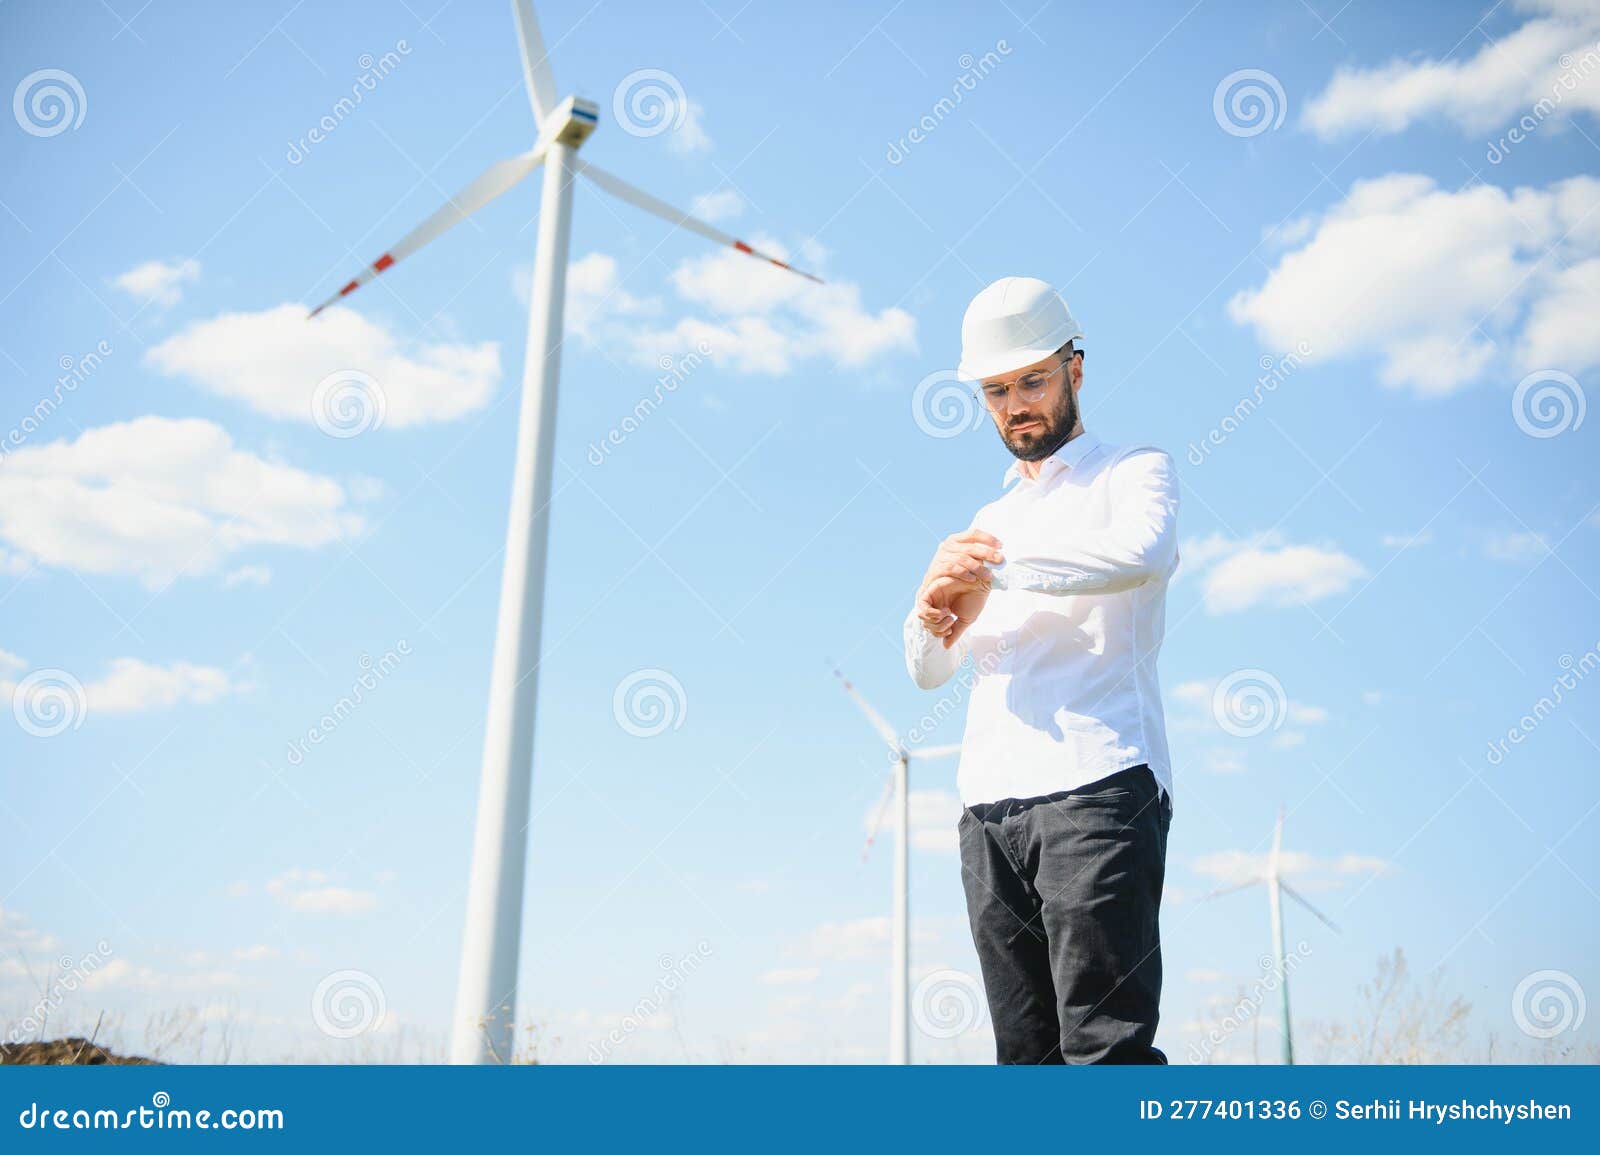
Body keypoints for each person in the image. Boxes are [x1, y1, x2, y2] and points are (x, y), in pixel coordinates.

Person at [904, 276, 1179, 1064]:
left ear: (1076, 370)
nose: (1016, 402)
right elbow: (930, 672)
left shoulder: (1134, 471)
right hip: (987, 809)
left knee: (1104, 1049)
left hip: (1096, 788)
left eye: (1033, 380)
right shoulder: (986, 522)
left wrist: (999, 571)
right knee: (1025, 1062)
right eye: (997, 389)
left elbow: (1141, 553)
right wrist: (928, 612)